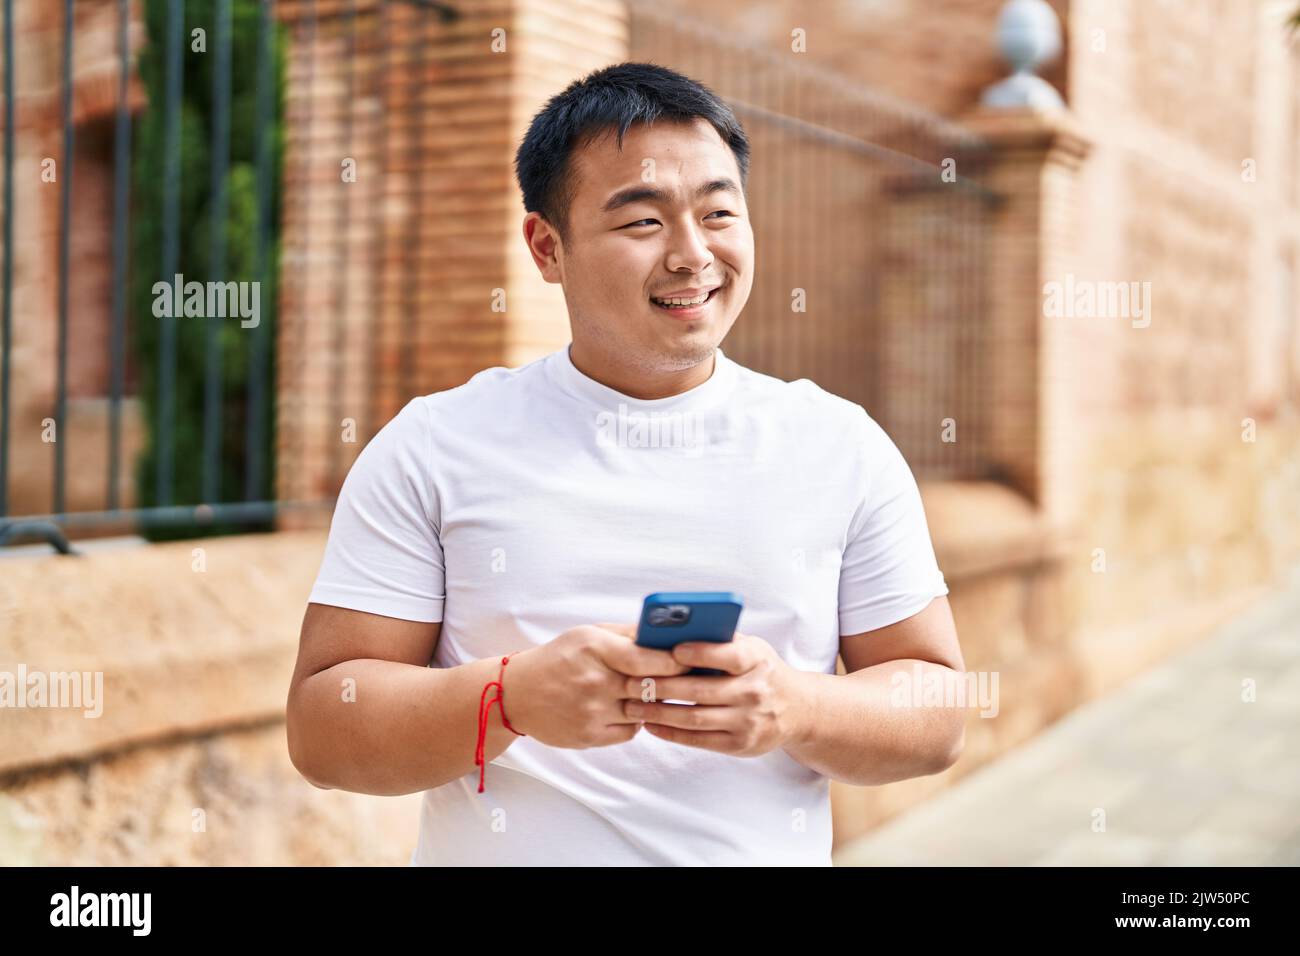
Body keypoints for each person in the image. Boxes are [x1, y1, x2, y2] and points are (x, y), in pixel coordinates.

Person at [286, 62, 965, 866]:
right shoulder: (434, 446)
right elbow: (324, 729)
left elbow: (937, 710)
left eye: (719, 212)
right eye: (643, 222)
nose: (692, 255)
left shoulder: (838, 445)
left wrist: (792, 707)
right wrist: (508, 699)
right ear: (547, 247)